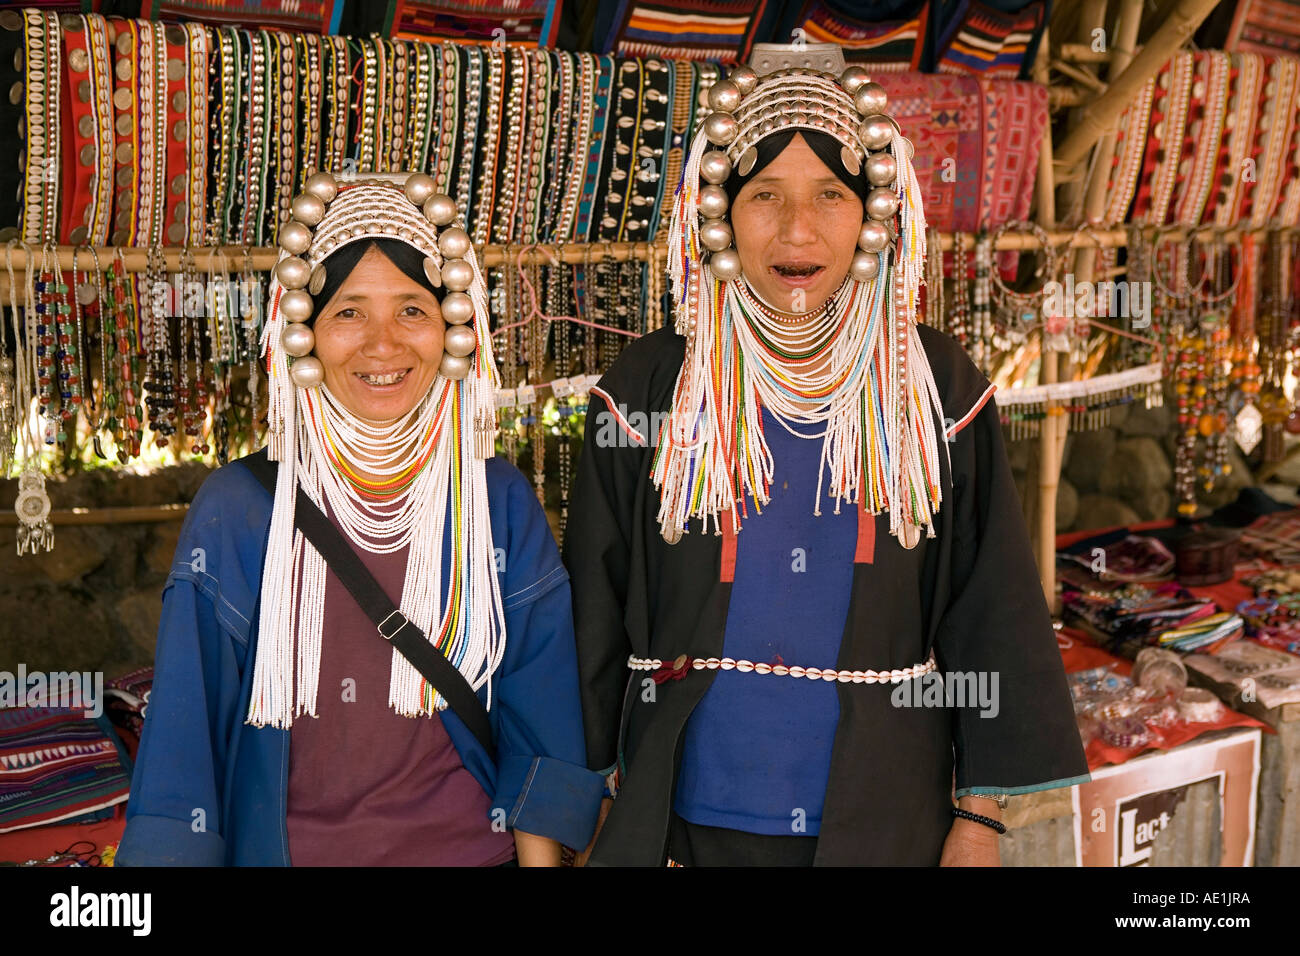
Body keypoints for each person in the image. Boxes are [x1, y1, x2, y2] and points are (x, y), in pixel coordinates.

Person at [565, 56, 1089, 866]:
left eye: (830, 196)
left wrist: (979, 821)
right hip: (682, 819)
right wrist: (593, 796)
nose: (796, 230)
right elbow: (591, 618)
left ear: (876, 212)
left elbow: (992, 612)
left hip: (884, 819)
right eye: (764, 194)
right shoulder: (651, 389)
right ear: (717, 213)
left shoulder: (936, 390)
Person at [117, 174, 603, 866]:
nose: (383, 345)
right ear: (304, 332)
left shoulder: (493, 501)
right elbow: (183, 745)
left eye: (412, 309)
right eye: (349, 312)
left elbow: (540, 721)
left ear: (455, 327)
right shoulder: (241, 509)